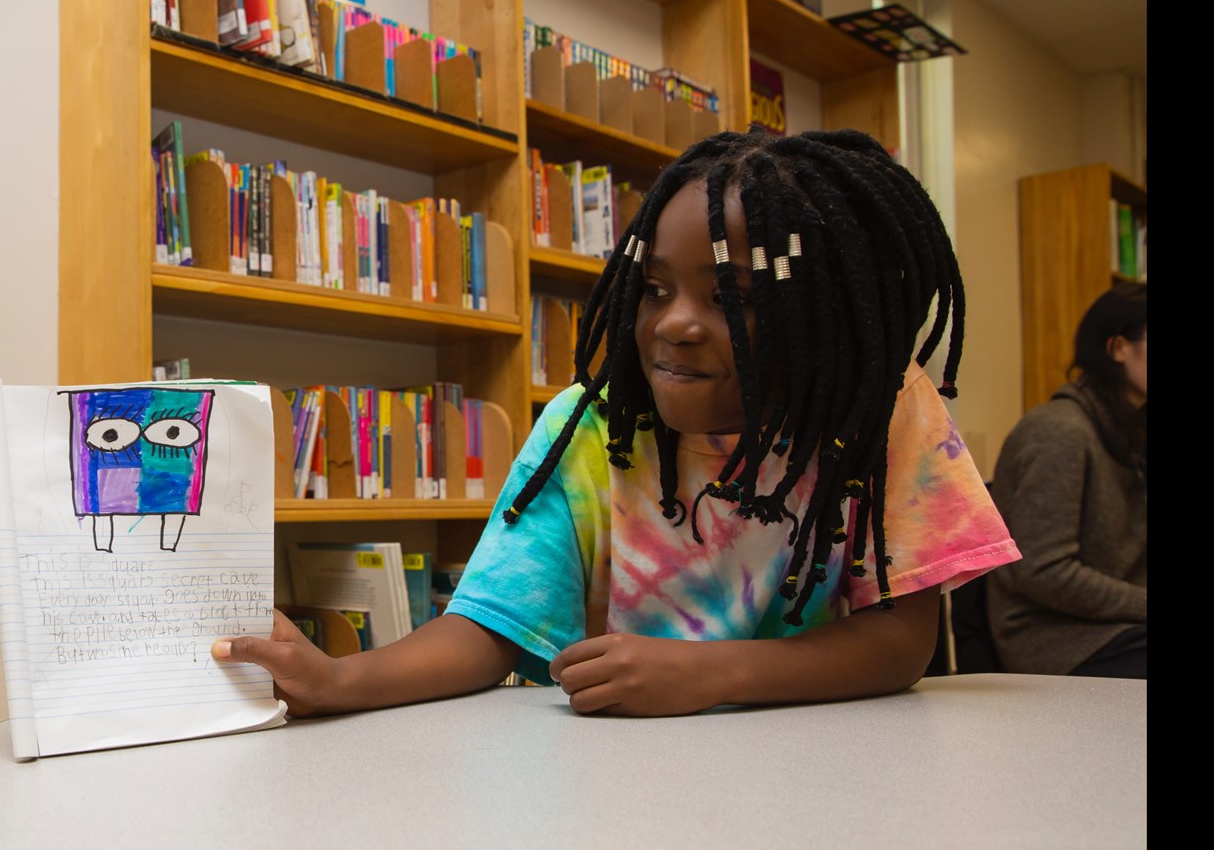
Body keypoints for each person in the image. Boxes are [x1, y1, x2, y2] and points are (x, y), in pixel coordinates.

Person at [214, 128, 1021, 717]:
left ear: (821, 314)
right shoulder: (591, 426)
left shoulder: (881, 410)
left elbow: (901, 641)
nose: (676, 324)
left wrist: (711, 674)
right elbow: (491, 626)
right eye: (656, 289)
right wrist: (339, 681)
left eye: (730, 297)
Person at [986, 283, 1146, 678]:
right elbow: (1044, 572)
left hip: (1119, 626)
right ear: (1118, 348)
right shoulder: (1059, 432)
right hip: (1059, 638)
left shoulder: (1130, 428)